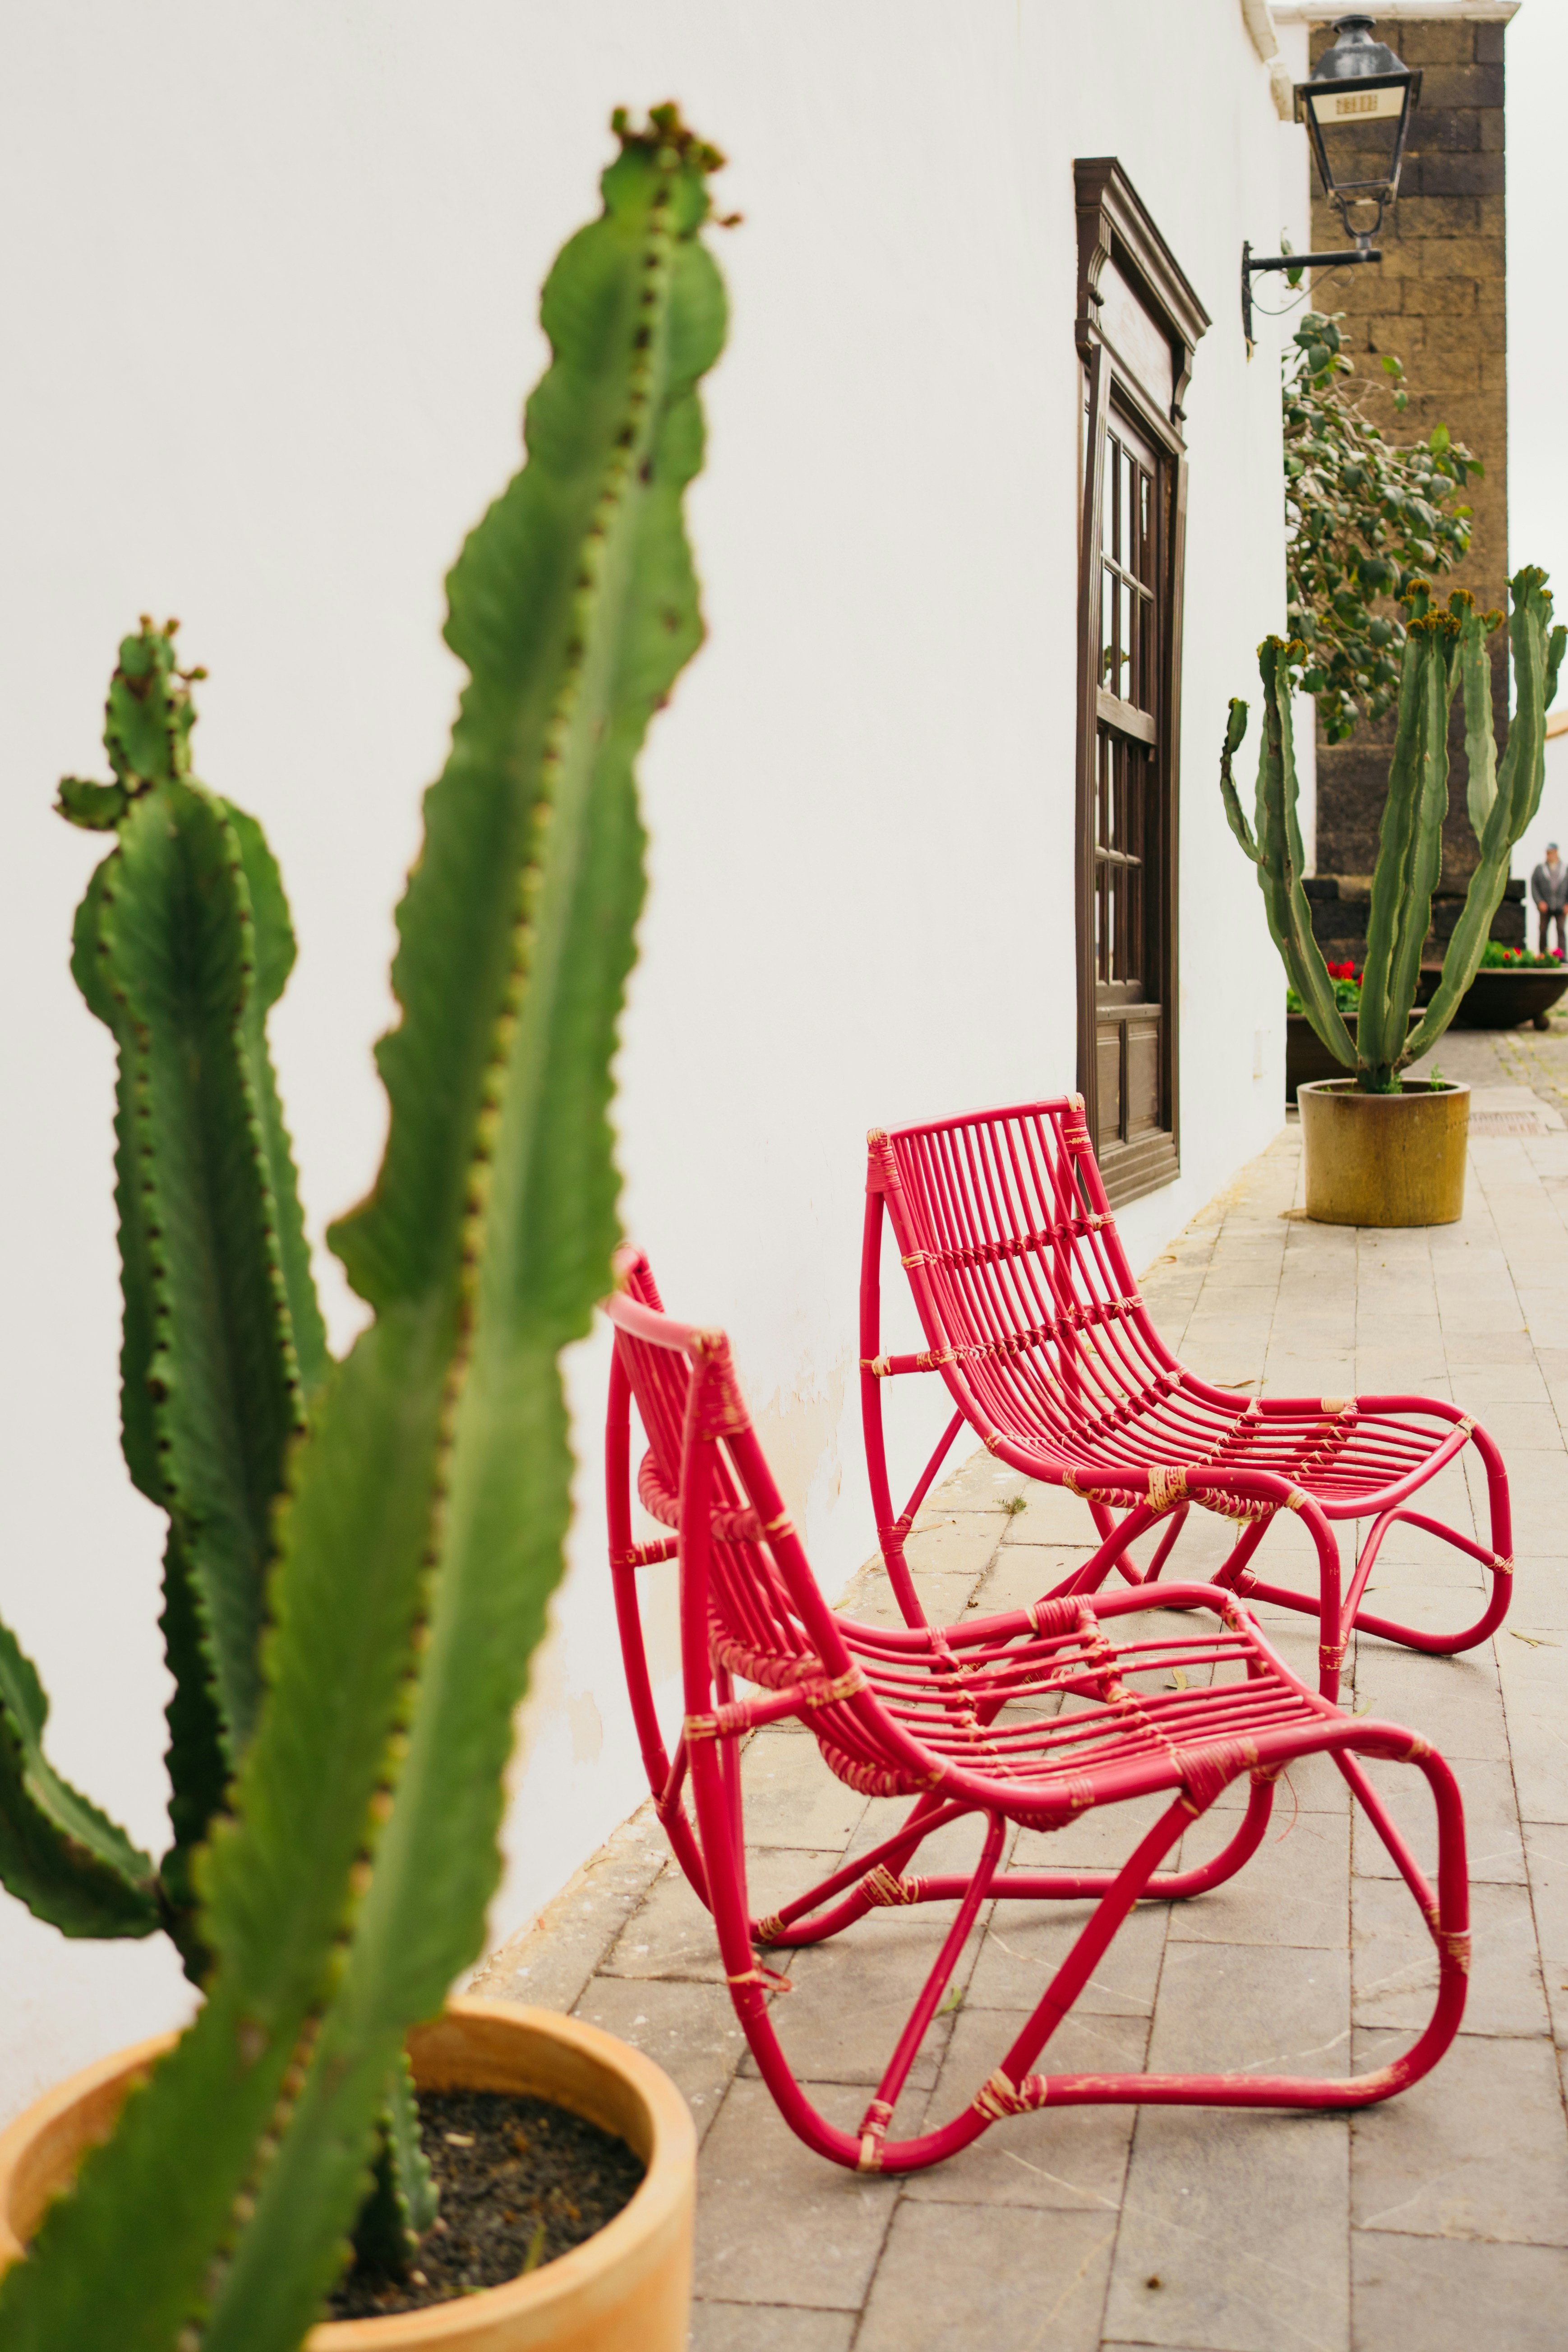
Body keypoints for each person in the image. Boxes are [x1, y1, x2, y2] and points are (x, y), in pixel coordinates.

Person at [1532, 843, 1568, 955]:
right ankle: (1543, 955)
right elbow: (1534, 886)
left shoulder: (1565, 870)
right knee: (1543, 930)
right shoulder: (1540, 869)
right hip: (1545, 905)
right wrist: (1539, 902)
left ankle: (1562, 955)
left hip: (1561, 905)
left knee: (1561, 930)